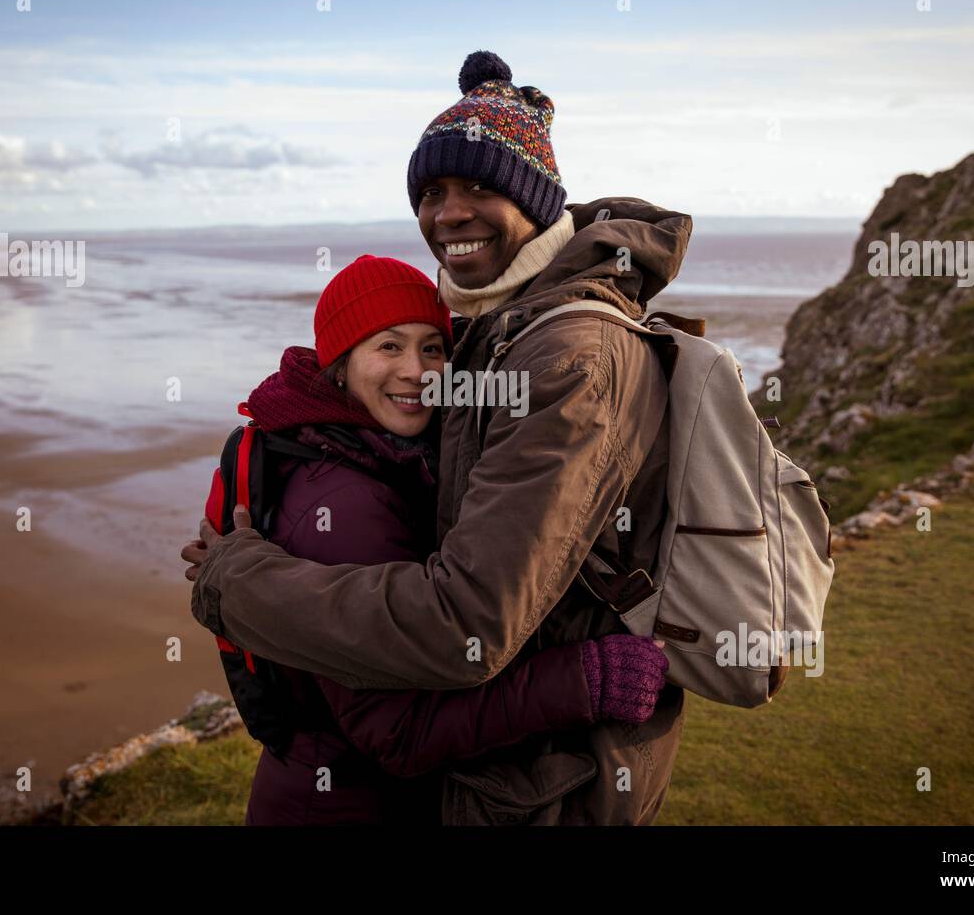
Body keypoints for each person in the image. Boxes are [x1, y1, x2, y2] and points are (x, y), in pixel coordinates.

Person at [185, 49, 693, 825]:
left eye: (479, 186)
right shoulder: (479, 356)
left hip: (548, 783)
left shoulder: (564, 353)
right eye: (431, 191)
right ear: (339, 364)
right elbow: (419, 686)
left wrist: (238, 583)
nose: (448, 211)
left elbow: (466, 623)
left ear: (534, 199)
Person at [208, 253, 669, 825]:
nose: (417, 370)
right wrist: (581, 680)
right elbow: (399, 731)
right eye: (388, 346)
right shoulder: (345, 501)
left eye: (433, 347)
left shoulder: (386, 458)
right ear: (339, 363)